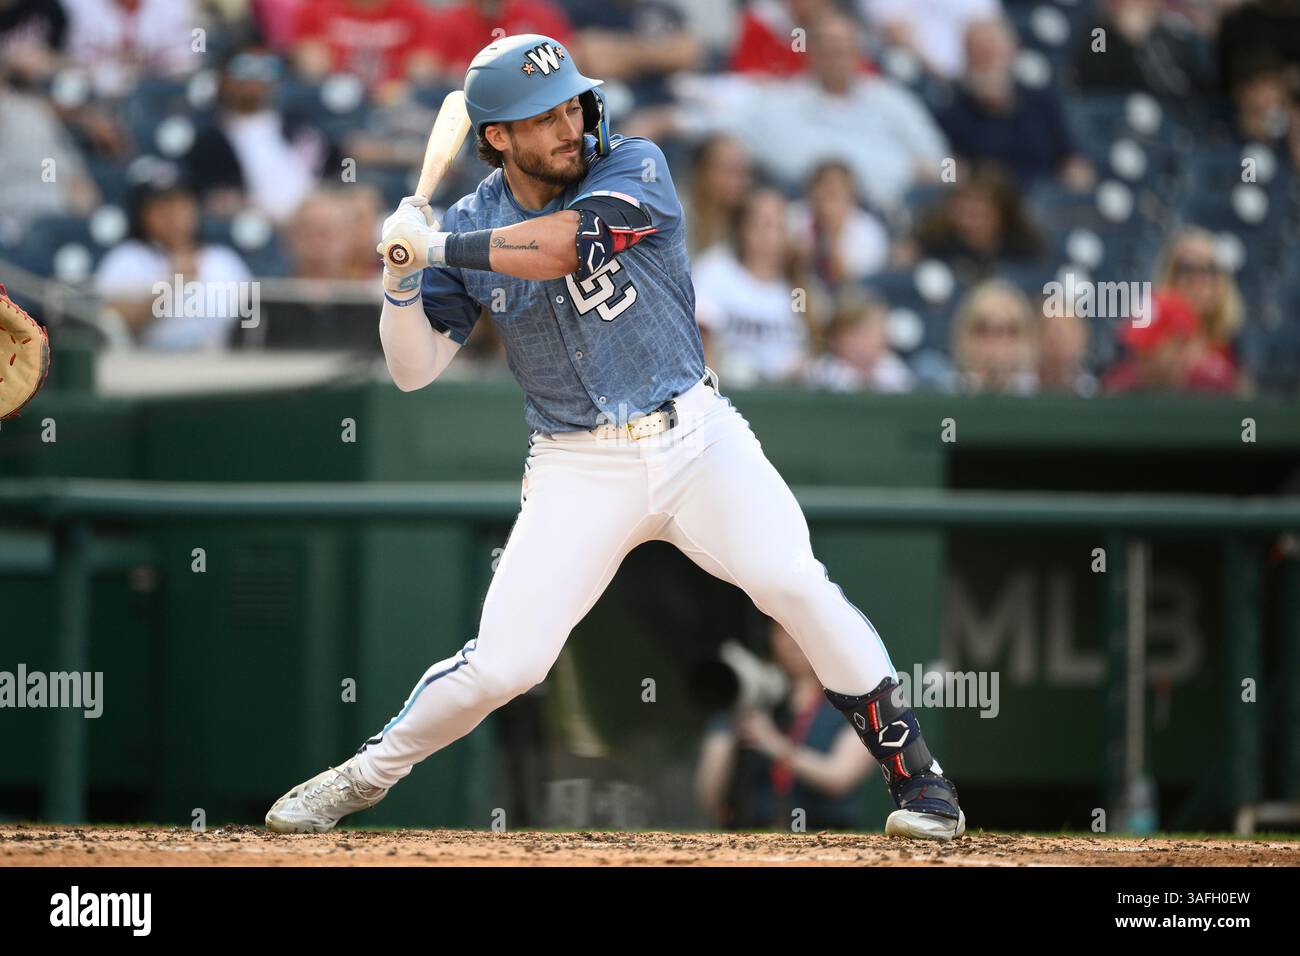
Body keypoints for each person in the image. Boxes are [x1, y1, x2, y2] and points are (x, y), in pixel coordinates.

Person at [264, 33, 966, 842]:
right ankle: (362, 775)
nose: (570, 124)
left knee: (795, 584)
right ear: (497, 137)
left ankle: (922, 785)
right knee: (507, 664)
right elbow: (415, 370)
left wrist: (438, 246)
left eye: (572, 103)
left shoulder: (634, 166)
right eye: (545, 116)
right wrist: (399, 280)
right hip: (575, 461)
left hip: (696, 437)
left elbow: (565, 246)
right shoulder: (467, 224)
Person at [696, 620, 876, 830]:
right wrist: (730, 725)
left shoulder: (853, 704)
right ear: (772, 639)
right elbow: (708, 796)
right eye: (784, 630)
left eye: (802, 630)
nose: (793, 641)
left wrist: (775, 745)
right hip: (750, 842)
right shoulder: (752, 705)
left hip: (826, 841)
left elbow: (839, 778)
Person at [93, 172, 252, 350]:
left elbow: (254, 319)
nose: (174, 216)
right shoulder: (127, 258)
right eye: (162, 207)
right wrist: (169, 286)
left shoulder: (223, 259)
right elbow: (111, 323)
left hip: (223, 365)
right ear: (142, 214)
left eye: (181, 205)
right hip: (147, 366)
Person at [938, 17, 1095, 191]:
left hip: (1044, 200)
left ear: (1012, 51)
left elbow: (1072, 157)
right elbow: (946, 168)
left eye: (992, 50)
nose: (987, 58)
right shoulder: (951, 113)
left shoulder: (1044, 103)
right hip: (987, 202)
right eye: (978, 52)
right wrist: (956, 174)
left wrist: (1077, 177)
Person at [691, 188, 813, 386]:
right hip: (724, 393)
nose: (769, 235)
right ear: (742, 228)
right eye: (762, 224)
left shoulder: (797, 289)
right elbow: (700, 339)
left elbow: (802, 353)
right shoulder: (716, 269)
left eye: (778, 226)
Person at [1102, 291, 1238, 394]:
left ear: (1179, 343)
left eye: (1149, 345)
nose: (1140, 355)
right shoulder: (1128, 382)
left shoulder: (1212, 385)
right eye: (1137, 345)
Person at [788, 160, 890, 289]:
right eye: (824, 188)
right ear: (811, 192)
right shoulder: (792, 216)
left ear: (851, 197)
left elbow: (850, 285)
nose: (828, 200)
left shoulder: (870, 233)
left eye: (836, 193)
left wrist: (832, 234)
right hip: (798, 294)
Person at [1152, 226, 1243, 365]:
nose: (1200, 281)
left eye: (1211, 269)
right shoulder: (1147, 345)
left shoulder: (1236, 345)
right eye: (1188, 269)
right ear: (1170, 276)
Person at [804, 291, 915, 393]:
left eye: (878, 331)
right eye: (861, 333)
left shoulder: (891, 366)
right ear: (836, 338)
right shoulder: (823, 371)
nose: (874, 339)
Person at [947, 278, 1038, 393]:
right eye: (982, 330)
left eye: (1011, 331)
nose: (996, 345)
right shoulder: (938, 395)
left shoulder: (1049, 395)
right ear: (961, 338)